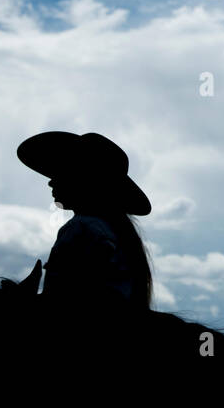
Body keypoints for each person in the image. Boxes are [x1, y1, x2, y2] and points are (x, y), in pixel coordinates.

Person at [18, 131, 153, 309]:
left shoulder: (81, 227)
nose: (50, 182)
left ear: (82, 180)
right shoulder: (115, 232)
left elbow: (59, 301)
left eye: (61, 172)